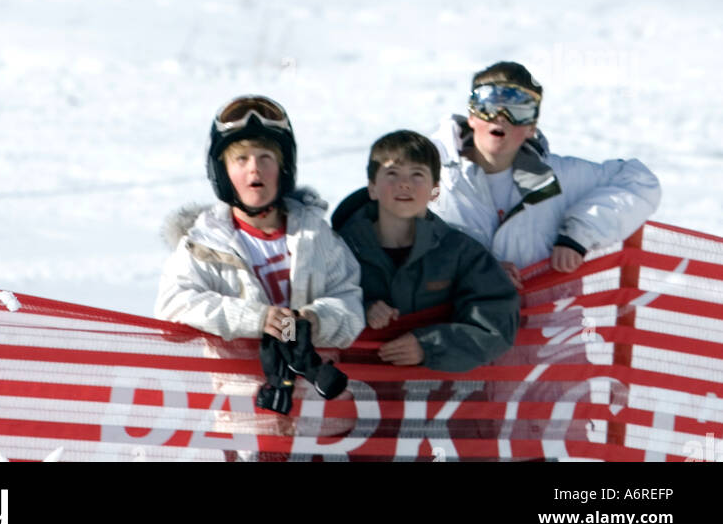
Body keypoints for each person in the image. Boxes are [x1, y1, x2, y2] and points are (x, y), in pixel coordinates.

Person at [154, 96, 364, 348]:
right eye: (241, 159)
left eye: (265, 157)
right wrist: (258, 318)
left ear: (284, 168)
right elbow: (173, 306)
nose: (255, 169)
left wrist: (316, 320)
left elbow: (350, 303)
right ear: (222, 173)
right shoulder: (204, 246)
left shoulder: (316, 236)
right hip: (236, 385)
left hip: (310, 382)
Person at [430, 61, 661, 287]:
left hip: (546, 322)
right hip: (452, 321)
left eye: (518, 110)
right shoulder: (429, 171)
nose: (501, 117)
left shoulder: (558, 178)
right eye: (489, 105)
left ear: (532, 127)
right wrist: (476, 270)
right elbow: (401, 240)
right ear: (471, 115)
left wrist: (578, 235)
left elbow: (639, 181)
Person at [332, 130, 519, 371]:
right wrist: (361, 308)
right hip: (352, 394)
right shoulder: (336, 249)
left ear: (436, 191)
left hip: (444, 400)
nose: (404, 184)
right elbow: (304, 307)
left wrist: (429, 346)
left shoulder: (461, 252)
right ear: (372, 188)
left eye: (417, 174)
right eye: (392, 173)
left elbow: (496, 325)